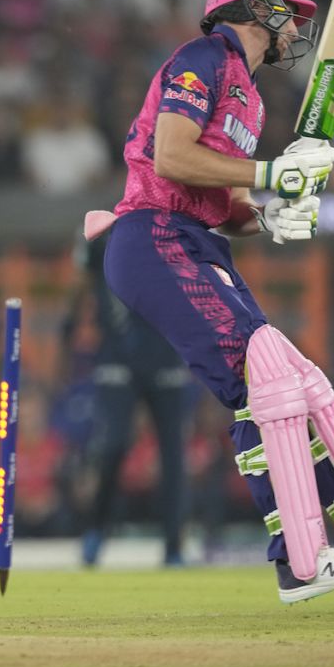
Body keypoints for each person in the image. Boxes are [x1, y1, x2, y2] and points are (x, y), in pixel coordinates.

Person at [86, 0, 334, 603]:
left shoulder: (248, 94)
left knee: (291, 381)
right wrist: (269, 175)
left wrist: (271, 215)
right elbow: (171, 156)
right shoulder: (203, 56)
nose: (294, 26)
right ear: (253, 8)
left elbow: (218, 197)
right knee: (265, 379)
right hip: (153, 234)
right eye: (286, 11)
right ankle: (300, 563)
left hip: (193, 238)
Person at [72, 231, 193, 567]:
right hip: (117, 352)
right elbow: (83, 281)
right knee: (113, 446)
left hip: (165, 350)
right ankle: (96, 530)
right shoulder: (101, 235)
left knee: (173, 456)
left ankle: (173, 547)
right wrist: (70, 331)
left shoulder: (173, 232)